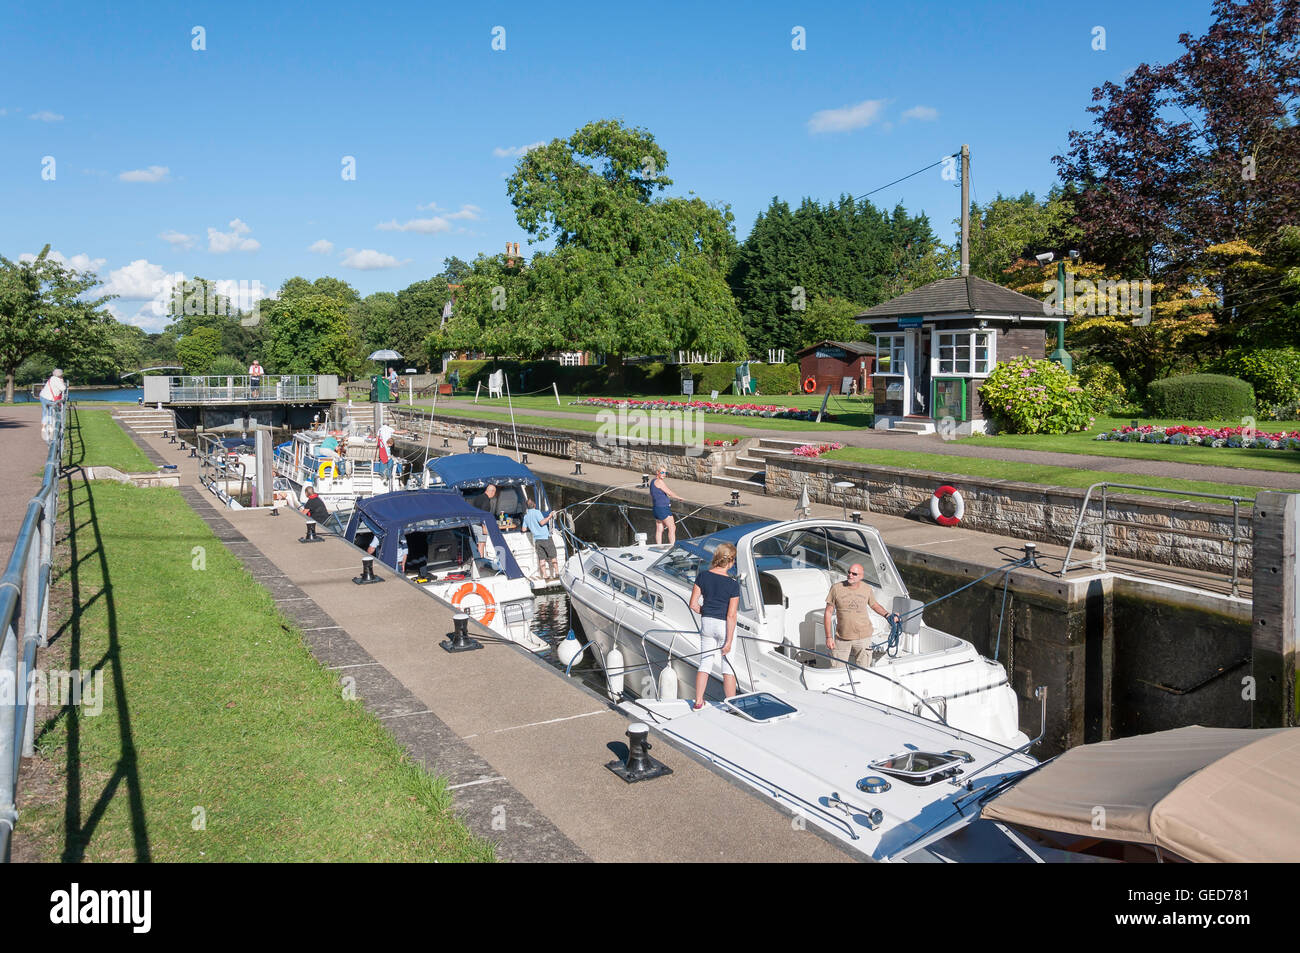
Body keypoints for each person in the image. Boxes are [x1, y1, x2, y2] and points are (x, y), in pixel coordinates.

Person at [688, 542, 740, 710]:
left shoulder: (702, 576)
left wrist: (706, 610)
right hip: (724, 626)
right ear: (731, 562)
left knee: (705, 663)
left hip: (707, 623)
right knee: (727, 667)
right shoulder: (733, 584)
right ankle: (732, 705)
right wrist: (729, 642)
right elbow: (731, 615)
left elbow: (693, 605)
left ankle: (698, 701)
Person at [824, 563, 900, 670]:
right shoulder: (836, 588)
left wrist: (888, 615)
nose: (850, 575)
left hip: (863, 638)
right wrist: (828, 637)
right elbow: (828, 613)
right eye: (849, 572)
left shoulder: (867, 589)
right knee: (836, 670)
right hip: (842, 638)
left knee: (863, 671)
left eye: (854, 574)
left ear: (861, 576)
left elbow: (875, 605)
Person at [521, 496, 559, 581]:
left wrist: (532, 525)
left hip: (537, 540)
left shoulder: (526, 516)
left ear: (527, 507)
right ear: (534, 505)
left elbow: (523, 529)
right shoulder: (537, 512)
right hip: (545, 537)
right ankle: (557, 573)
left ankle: (545, 576)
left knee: (542, 558)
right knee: (553, 556)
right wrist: (550, 516)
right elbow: (542, 522)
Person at [468, 483, 503, 571]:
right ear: (492, 492)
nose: (494, 494)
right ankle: (480, 565)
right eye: (494, 492)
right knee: (481, 543)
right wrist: (484, 527)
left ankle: (475, 560)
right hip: (479, 525)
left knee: (477, 543)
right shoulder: (486, 502)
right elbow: (483, 515)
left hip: (473, 523)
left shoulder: (478, 497)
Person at [649, 466, 685, 545]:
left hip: (656, 508)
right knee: (672, 527)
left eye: (665, 473)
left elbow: (654, 495)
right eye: (662, 472)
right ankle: (672, 546)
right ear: (657, 472)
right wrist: (679, 497)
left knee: (659, 528)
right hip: (663, 508)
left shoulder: (652, 481)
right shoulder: (659, 481)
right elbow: (669, 492)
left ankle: (659, 546)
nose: (664, 474)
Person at [39, 368, 67, 433]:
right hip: (50, 398)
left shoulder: (52, 378)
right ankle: (50, 427)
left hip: (43, 396)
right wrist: (62, 382)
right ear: (60, 375)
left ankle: (43, 427)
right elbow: (63, 388)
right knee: (51, 412)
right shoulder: (57, 380)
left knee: (45, 412)